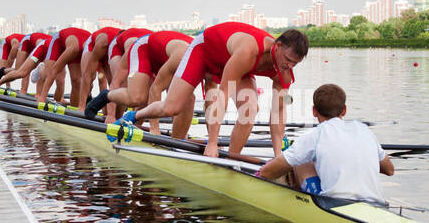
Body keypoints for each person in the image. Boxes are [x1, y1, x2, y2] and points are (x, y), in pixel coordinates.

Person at [123, 24, 308, 159]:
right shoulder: (249, 50)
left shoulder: (284, 73)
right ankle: (137, 113)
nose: (289, 66)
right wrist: (212, 143)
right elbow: (222, 95)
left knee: (250, 108)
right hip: (204, 52)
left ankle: (232, 159)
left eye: (295, 63)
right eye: (287, 59)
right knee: (171, 108)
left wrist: (278, 156)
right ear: (278, 45)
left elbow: (278, 114)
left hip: (233, 64)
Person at [258, 83, 393, 203]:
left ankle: (303, 203)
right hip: (376, 205)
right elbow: (389, 170)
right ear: (344, 110)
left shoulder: (316, 135)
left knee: (301, 162)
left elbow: (267, 172)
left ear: (314, 111)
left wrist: (261, 174)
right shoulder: (364, 130)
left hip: (335, 206)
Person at [86, 29, 190, 125]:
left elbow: (173, 96)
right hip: (139, 47)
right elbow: (116, 82)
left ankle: (133, 121)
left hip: (159, 53)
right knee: (136, 97)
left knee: (153, 96)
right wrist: (110, 115)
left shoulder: (190, 57)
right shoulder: (182, 56)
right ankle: (106, 96)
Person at [31, 26, 91, 107]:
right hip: (59, 42)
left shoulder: (92, 54)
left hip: (78, 45)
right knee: (49, 74)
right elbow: (54, 71)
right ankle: (41, 68)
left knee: (77, 81)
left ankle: (74, 110)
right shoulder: (73, 49)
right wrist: (42, 98)